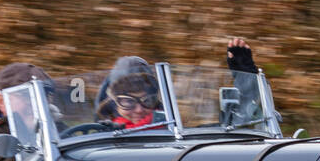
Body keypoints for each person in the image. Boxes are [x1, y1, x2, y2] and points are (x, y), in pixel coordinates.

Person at [95, 38, 261, 129]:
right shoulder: (95, 138)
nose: (139, 109)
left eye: (147, 100)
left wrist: (245, 77)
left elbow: (236, 123)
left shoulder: (173, 132)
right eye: (128, 102)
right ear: (113, 104)